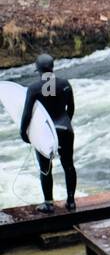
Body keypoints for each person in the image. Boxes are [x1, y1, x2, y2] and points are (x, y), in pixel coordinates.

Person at [21, 54, 76, 212]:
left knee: (46, 168)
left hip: (45, 132)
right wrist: (65, 124)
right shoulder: (65, 84)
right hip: (65, 129)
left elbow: (27, 115)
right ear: (53, 67)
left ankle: (48, 204)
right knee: (68, 166)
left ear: (37, 69)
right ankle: (71, 202)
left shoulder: (34, 88)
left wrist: (24, 133)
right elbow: (71, 108)